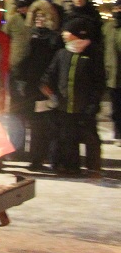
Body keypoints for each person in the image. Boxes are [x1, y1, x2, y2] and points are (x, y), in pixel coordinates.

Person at [41, 17, 105, 177]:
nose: (63, 34)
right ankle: (70, 166)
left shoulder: (92, 54)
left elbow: (98, 82)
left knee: (90, 137)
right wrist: (50, 93)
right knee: (68, 138)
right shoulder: (62, 54)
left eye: (67, 31)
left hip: (85, 106)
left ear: (76, 34)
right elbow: (50, 76)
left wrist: (93, 103)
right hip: (64, 106)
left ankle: (93, 167)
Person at [14, 0, 63, 169]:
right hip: (30, 87)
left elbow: (56, 63)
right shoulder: (28, 36)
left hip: (45, 87)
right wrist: (21, 79)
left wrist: (49, 84)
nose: (39, 19)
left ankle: (45, 158)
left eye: (43, 16)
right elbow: (22, 60)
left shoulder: (54, 38)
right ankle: (35, 158)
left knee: (45, 125)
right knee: (34, 124)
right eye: (36, 16)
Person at [4, 0, 38, 159]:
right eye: (19, 7)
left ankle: (36, 152)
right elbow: (5, 40)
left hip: (34, 74)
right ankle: (17, 148)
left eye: (24, 6)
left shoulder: (39, 20)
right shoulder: (14, 21)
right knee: (16, 113)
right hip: (16, 73)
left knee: (32, 115)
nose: (21, 10)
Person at [103, 0, 121, 145]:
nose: (117, 11)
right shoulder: (108, 28)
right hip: (113, 74)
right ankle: (118, 132)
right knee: (115, 106)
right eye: (115, 8)